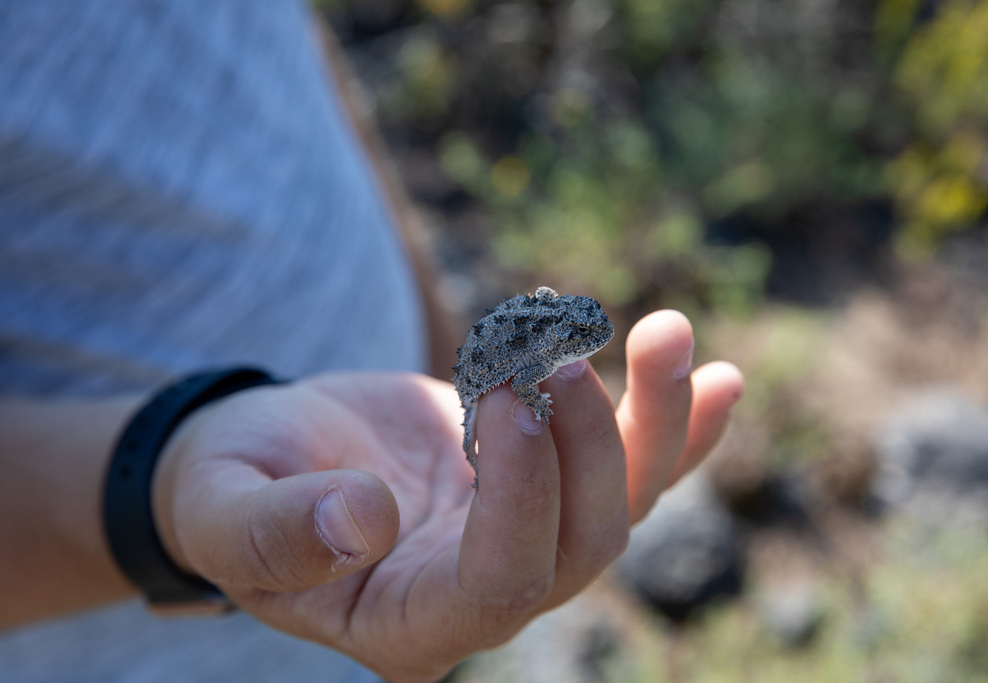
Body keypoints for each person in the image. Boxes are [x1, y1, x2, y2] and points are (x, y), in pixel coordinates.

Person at [0, 1, 744, 682]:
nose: (587, 337)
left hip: (424, 505)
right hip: (165, 648)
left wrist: (427, 315)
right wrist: (156, 484)